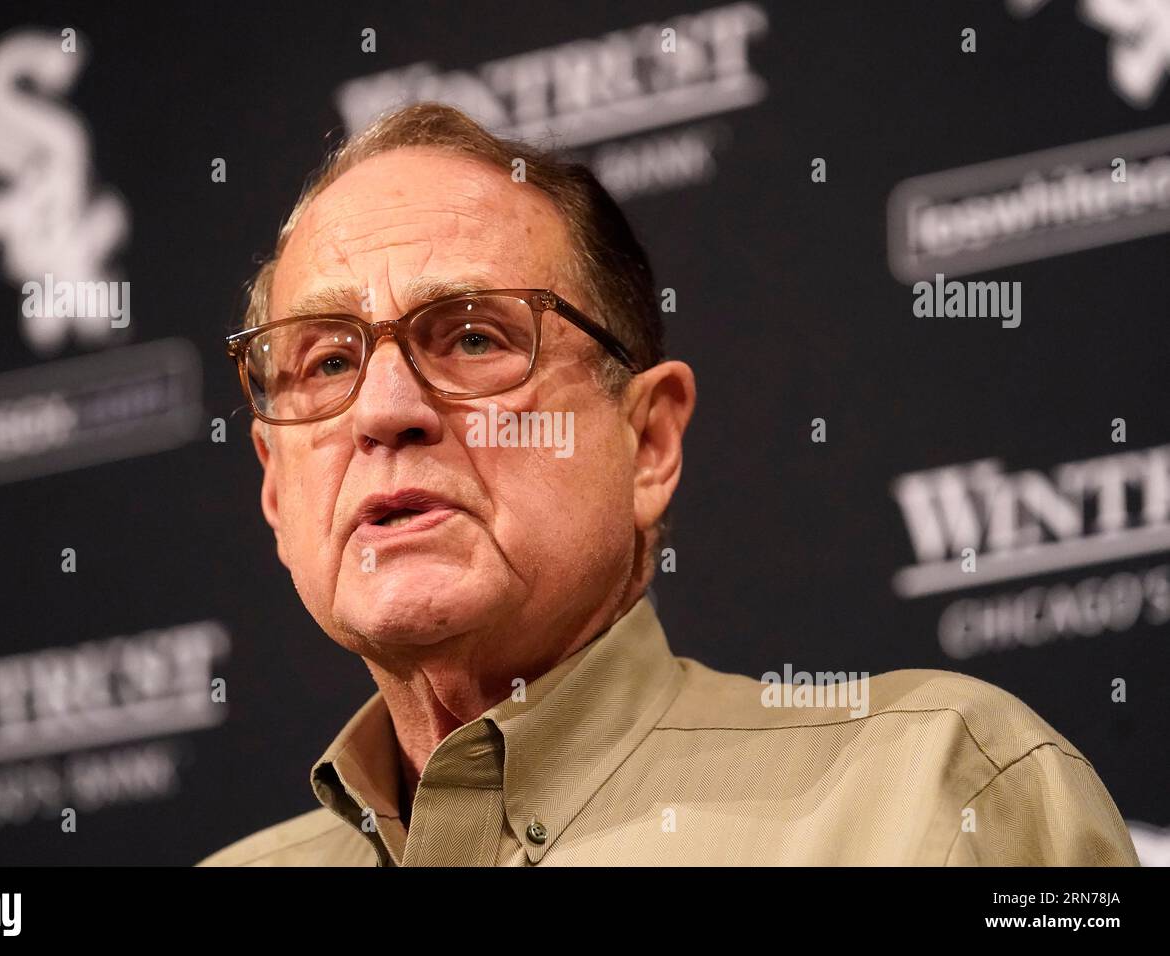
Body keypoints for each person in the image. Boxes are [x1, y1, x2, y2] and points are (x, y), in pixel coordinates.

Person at [200, 103, 1137, 866]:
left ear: (647, 442)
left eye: (475, 337)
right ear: (277, 490)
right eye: (326, 363)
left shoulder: (944, 794)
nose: (383, 410)